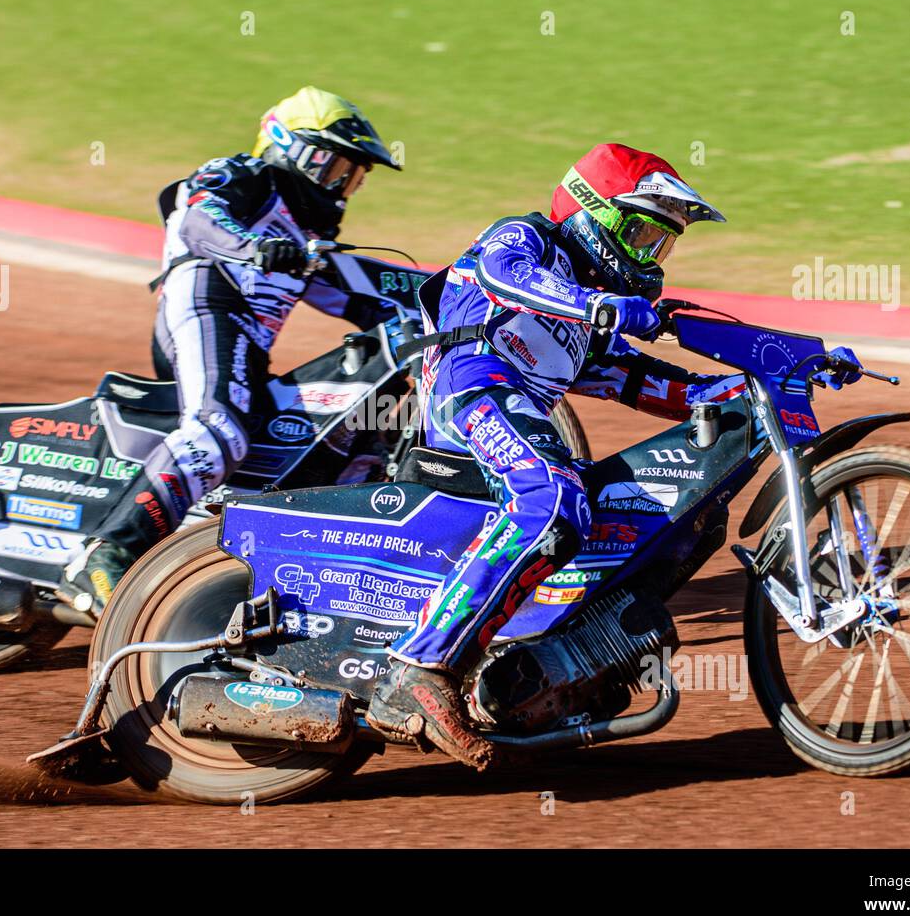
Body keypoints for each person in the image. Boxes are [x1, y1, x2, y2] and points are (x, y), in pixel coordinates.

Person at [366, 143, 862, 769]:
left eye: (662, 244)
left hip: (514, 412)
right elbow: (504, 274)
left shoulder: (583, 321)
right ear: (591, 211)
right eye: (640, 233)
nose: (650, 256)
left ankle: (558, 661)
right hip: (472, 391)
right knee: (554, 497)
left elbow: (646, 381)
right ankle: (419, 667)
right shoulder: (526, 239)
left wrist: (764, 382)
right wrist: (596, 306)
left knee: (672, 513)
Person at [59, 86, 401, 617]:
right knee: (220, 428)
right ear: (293, 148)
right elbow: (196, 218)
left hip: (246, 347)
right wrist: (254, 247)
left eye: (353, 177)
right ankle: (105, 553)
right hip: (207, 306)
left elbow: (369, 298)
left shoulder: (308, 237)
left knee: (335, 440)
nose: (342, 188)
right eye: (336, 169)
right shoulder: (245, 175)